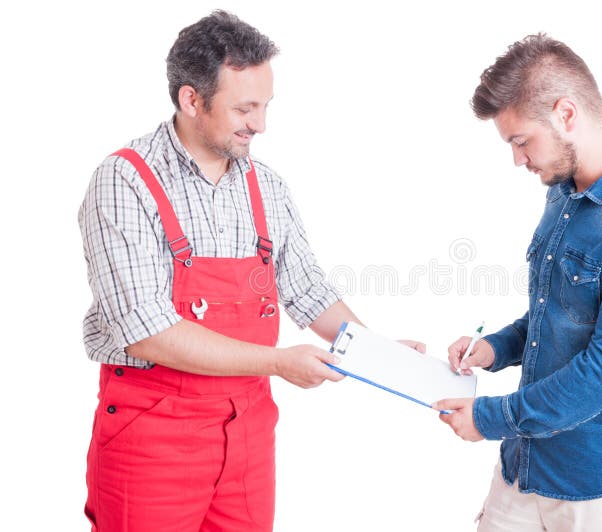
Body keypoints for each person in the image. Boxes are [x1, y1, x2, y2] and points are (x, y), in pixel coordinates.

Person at [78, 11, 422, 531]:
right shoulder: (125, 182)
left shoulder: (267, 186)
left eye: (264, 106)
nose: (260, 125)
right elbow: (145, 331)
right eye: (244, 108)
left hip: (248, 436)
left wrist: (382, 356)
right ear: (191, 100)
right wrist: (279, 362)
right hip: (152, 435)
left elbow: (306, 290)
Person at [433, 34, 602, 532]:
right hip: (524, 471)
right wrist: (494, 348)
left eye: (520, 141)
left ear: (565, 113)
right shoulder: (564, 192)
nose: (517, 159)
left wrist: (489, 418)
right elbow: (554, 312)